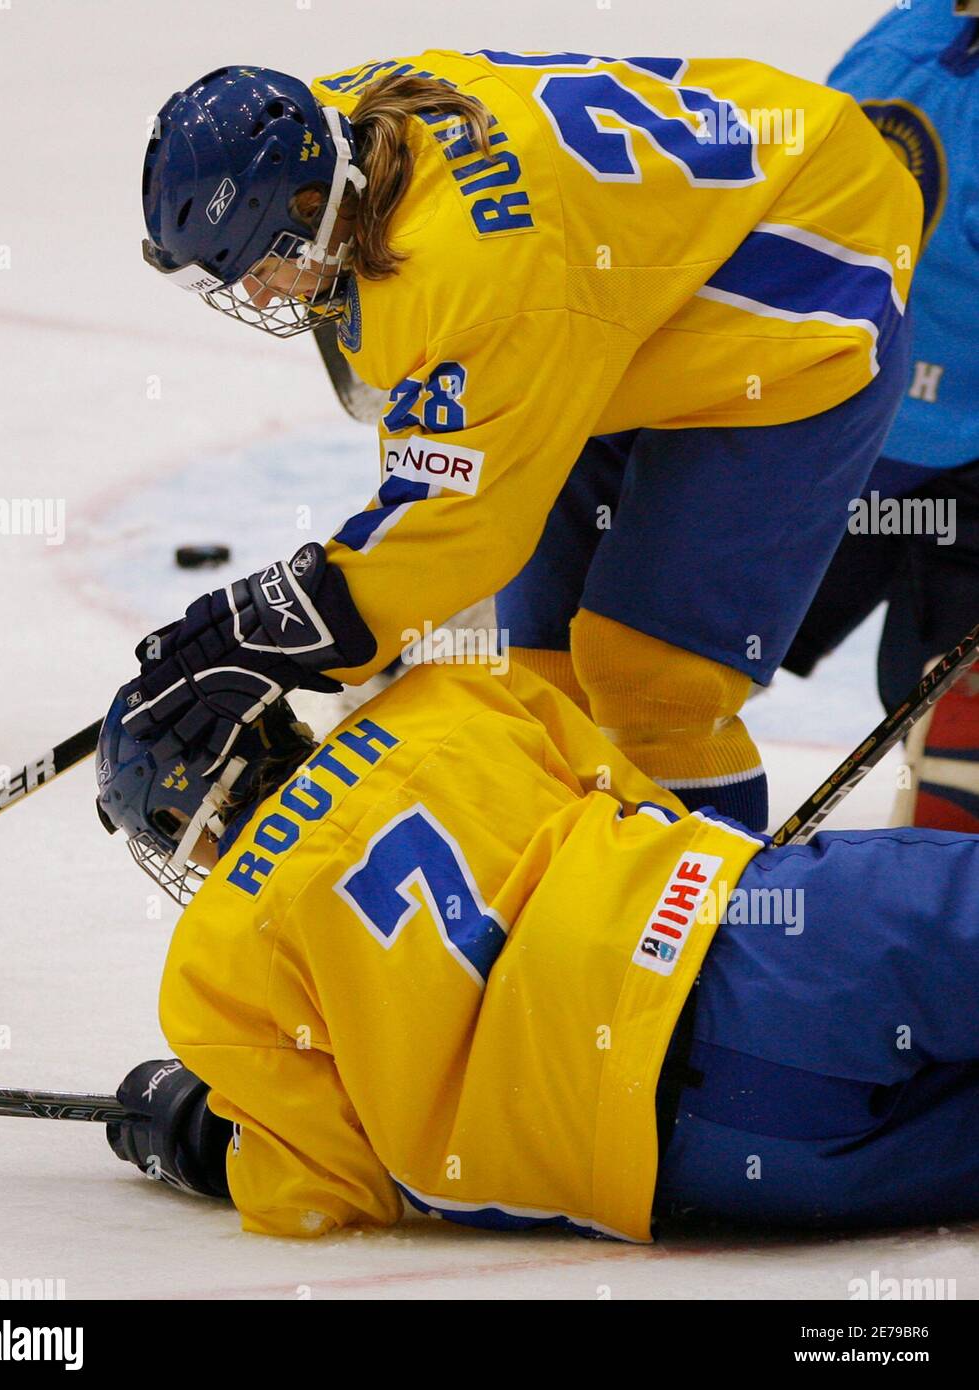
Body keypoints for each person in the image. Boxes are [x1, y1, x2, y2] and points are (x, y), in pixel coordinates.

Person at [126, 49, 922, 837]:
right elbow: (448, 446)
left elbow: (463, 524)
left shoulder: (471, 277)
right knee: (540, 664)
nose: (261, 294)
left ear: (310, 202)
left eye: (265, 265)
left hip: (815, 269)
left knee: (653, 688)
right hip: (641, 261)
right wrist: (361, 591)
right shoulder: (342, 119)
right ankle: (565, 908)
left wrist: (289, 628)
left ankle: (712, 942)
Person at [99, 652, 979, 1239]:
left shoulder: (211, 967)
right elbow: (648, 804)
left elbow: (326, 1192)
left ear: (183, 812)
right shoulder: (441, 699)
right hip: (764, 943)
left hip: (696, 1154)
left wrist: (207, 1141)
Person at [783, 0, 979, 831]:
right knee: (952, 743)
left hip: (826, 433)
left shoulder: (897, 36)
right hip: (839, 438)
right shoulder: (902, 37)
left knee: (947, 737)